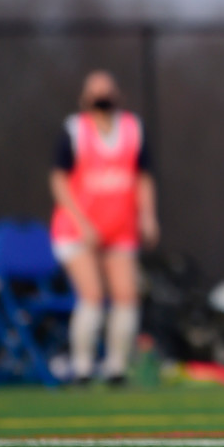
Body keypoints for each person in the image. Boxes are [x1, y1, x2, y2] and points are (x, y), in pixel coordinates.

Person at [50, 70, 159, 385]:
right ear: (84, 99)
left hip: (120, 229)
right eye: (95, 93)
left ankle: (116, 368)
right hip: (77, 231)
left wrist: (147, 215)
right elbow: (58, 181)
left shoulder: (132, 130)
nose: (102, 99)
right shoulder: (74, 131)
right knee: (93, 295)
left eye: (107, 91)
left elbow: (143, 178)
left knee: (126, 296)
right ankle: (83, 367)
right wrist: (81, 222)